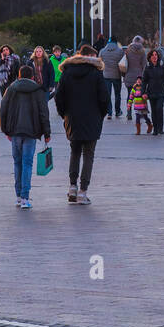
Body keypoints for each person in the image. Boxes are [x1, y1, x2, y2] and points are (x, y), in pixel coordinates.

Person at [53, 42, 109, 205]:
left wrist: (64, 114)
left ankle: (72, 187)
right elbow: (104, 98)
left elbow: (59, 96)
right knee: (88, 155)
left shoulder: (67, 72)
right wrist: (100, 115)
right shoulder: (96, 73)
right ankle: (83, 192)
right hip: (92, 118)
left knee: (75, 152)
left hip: (72, 118)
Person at [0, 63, 52, 209]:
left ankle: (18, 196)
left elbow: (3, 110)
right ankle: (25, 198)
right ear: (33, 76)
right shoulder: (37, 90)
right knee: (27, 163)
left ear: (19, 76)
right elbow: (44, 113)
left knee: (17, 163)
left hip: (15, 131)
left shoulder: (11, 89)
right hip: (31, 132)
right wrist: (47, 133)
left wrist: (5, 129)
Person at [142, 48, 164, 135]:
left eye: (156, 55)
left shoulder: (163, 66)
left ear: (158, 57)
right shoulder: (147, 67)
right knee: (154, 110)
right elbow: (144, 81)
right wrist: (143, 92)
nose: (154, 57)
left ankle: (160, 128)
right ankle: (155, 128)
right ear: (150, 57)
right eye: (153, 55)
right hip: (151, 92)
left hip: (161, 92)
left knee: (159, 109)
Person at [99, 35, 125, 118]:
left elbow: (99, 62)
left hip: (106, 75)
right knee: (117, 94)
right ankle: (117, 111)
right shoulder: (120, 51)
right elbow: (123, 63)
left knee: (108, 94)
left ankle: (109, 112)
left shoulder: (102, 51)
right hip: (117, 75)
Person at [122, 35, 147, 120]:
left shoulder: (128, 50)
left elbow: (124, 63)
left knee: (129, 95)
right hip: (139, 77)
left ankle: (129, 113)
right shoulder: (142, 52)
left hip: (129, 75)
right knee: (139, 96)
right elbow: (144, 65)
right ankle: (141, 113)